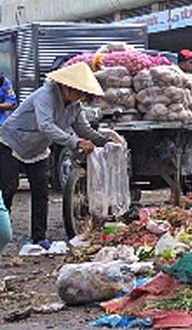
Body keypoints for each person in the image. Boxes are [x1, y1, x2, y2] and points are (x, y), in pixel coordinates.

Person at [0, 63, 113, 248]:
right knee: (8, 189)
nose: (82, 97)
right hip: (12, 142)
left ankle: (39, 237)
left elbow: (83, 129)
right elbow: (46, 125)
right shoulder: (45, 96)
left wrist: (105, 140)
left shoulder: (75, 106)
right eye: (79, 92)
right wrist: (75, 142)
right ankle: (2, 232)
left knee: (41, 193)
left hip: (38, 149)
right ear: (67, 88)